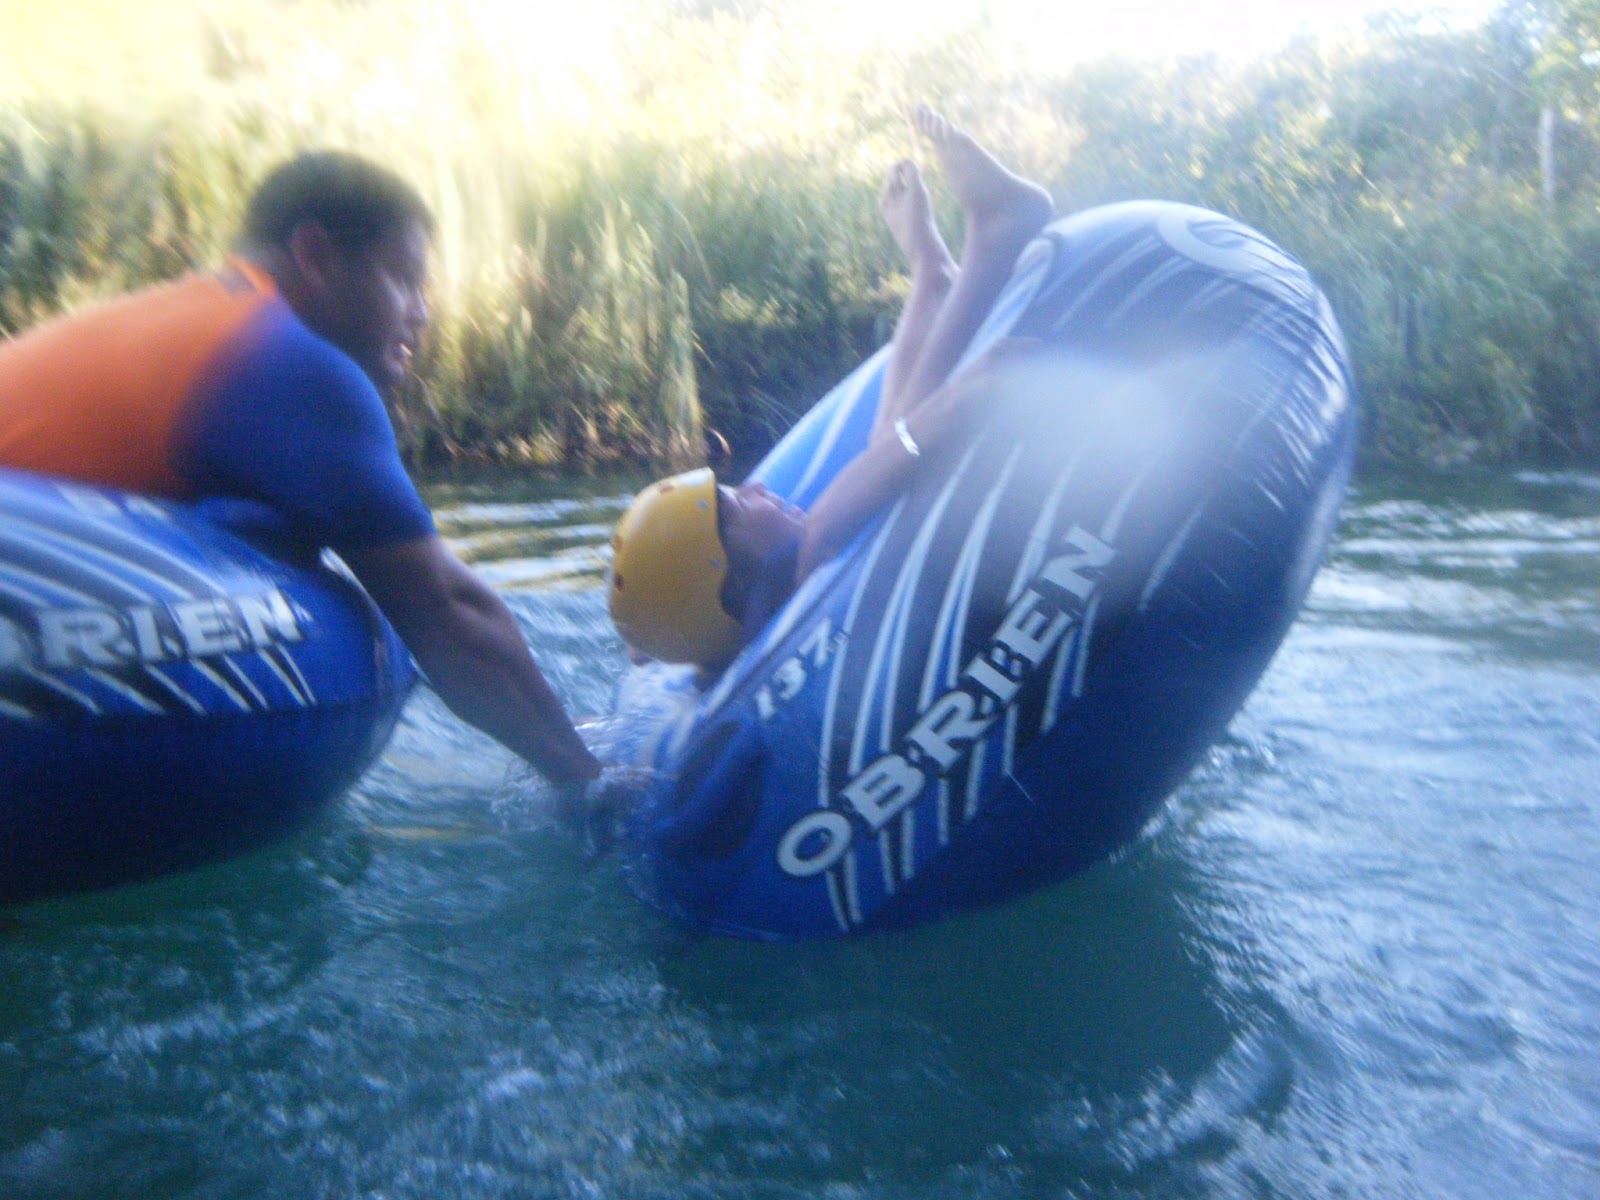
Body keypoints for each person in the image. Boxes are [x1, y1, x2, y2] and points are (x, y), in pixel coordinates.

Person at [0, 150, 616, 808]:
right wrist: (587, 781)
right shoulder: (282, 362)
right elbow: (446, 612)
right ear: (317, 256)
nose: (421, 314)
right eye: (405, 279)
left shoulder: (194, 317)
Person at [609, 107, 1053, 668]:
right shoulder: (805, 560)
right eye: (739, 506)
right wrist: (957, 402)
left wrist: (651, 634)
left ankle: (945, 266)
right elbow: (825, 524)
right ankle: (976, 252)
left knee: (883, 449)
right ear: (723, 577)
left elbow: (658, 635)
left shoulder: (743, 615)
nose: (762, 490)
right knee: (886, 454)